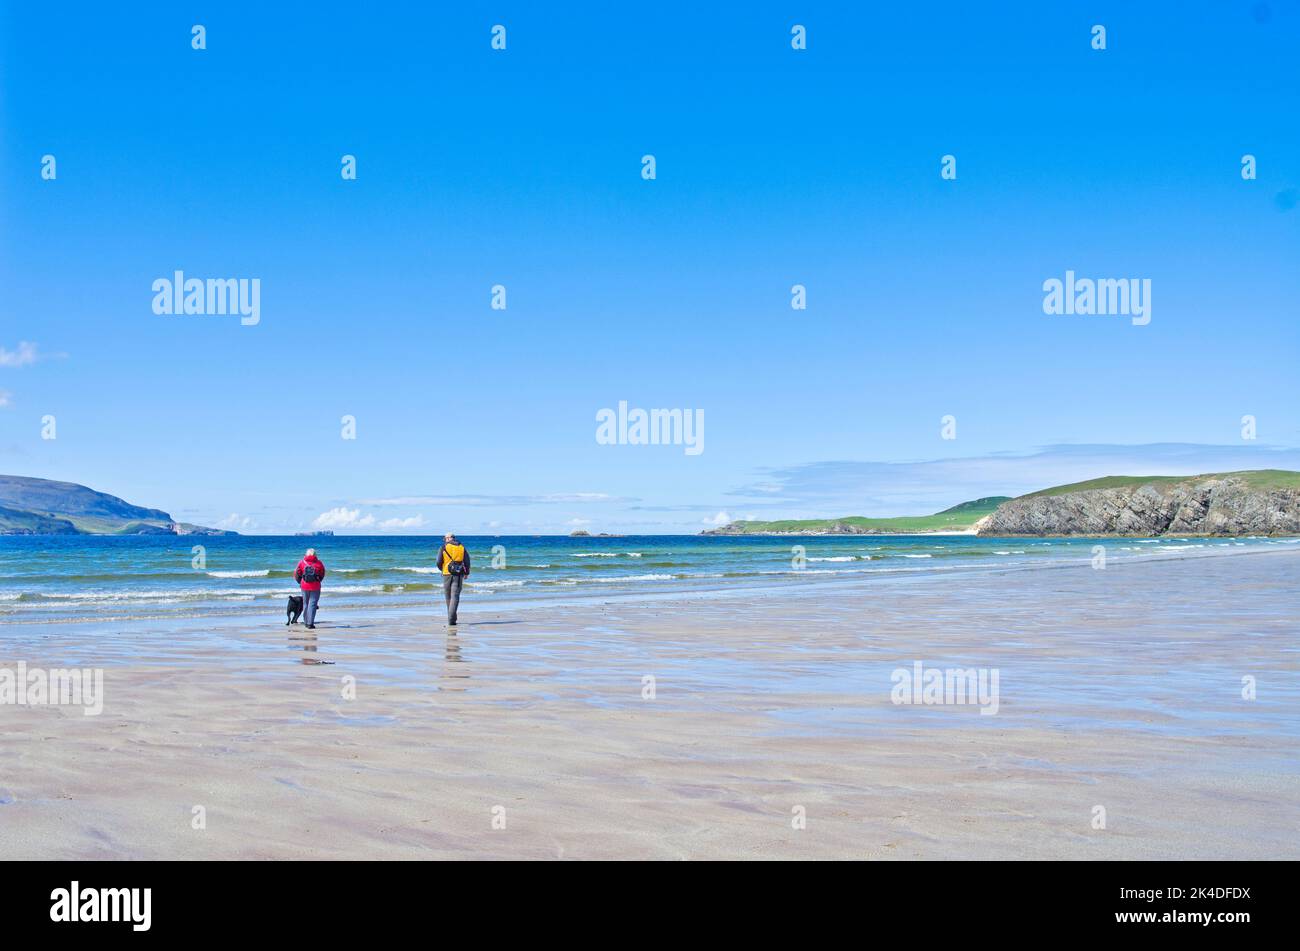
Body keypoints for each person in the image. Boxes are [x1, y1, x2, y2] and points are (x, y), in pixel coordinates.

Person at [436, 533, 470, 626]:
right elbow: (467, 561)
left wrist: (443, 569)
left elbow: (438, 561)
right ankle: (452, 619)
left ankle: (451, 619)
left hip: (446, 574)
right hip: (458, 574)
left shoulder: (443, 547)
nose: (445, 540)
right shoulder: (462, 547)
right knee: (455, 596)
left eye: (445, 538)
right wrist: (467, 573)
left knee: (448, 597)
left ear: (448, 538)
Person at [294, 548, 326, 629]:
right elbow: (322, 573)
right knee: (312, 604)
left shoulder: (302, 562)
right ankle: (310, 623)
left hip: (304, 586)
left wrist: (300, 582)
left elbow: (297, 573)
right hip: (315, 586)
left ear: (306, 554)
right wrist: (319, 580)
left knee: (305, 604)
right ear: (315, 555)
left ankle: (306, 622)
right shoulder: (319, 563)